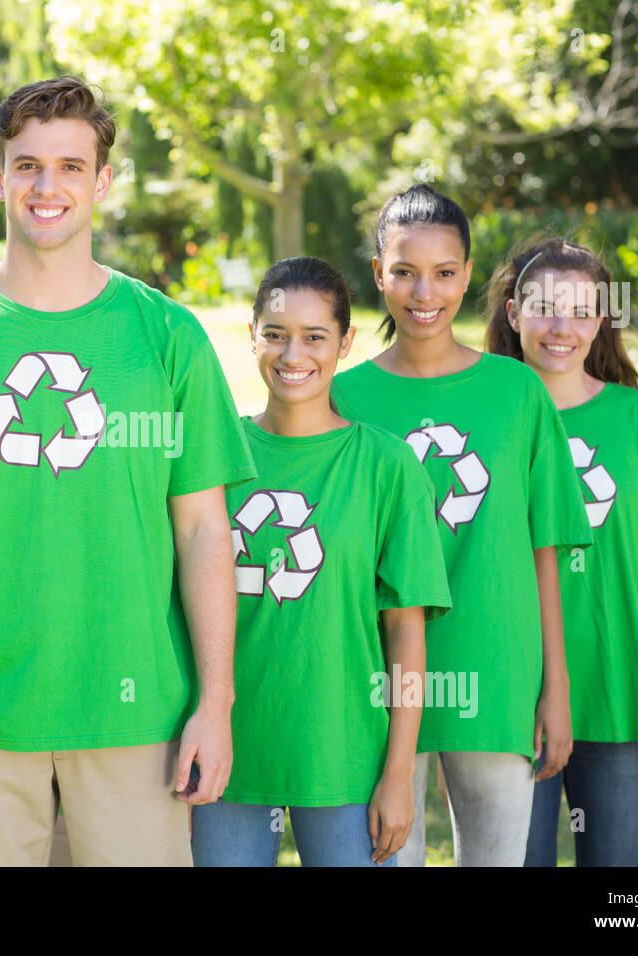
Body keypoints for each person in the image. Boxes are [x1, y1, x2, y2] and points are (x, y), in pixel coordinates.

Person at [0, 75, 256, 866]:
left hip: (137, 714)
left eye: (71, 166)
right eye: (28, 164)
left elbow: (207, 530)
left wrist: (217, 700)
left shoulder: (168, 337)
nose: (48, 186)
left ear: (102, 182)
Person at [330, 185, 593, 866]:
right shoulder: (342, 397)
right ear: (378, 271)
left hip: (496, 669)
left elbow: (545, 550)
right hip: (374, 678)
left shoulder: (517, 392)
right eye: (405, 271)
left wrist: (554, 688)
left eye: (445, 272)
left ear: (468, 274)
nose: (426, 291)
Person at [190, 257, 451, 867]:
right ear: (252, 335)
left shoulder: (387, 466)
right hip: (227, 752)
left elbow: (407, 630)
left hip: (344, 759)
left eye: (314, 337)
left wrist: (398, 772)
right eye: (276, 334)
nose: (292, 356)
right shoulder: (212, 454)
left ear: (346, 343)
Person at [485, 237, 638, 866]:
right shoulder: (486, 422)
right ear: (513, 313)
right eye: (544, 308)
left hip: (617, 698)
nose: (562, 328)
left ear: (602, 320)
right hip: (511, 700)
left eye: (581, 310)